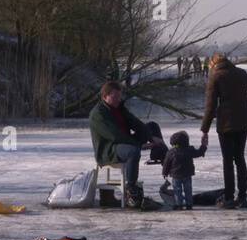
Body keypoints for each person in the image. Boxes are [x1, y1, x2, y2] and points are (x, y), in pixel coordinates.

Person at [201, 53, 247, 209]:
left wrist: (205, 130)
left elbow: (210, 107)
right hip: (243, 122)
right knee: (240, 159)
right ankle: (243, 197)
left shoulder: (215, 76)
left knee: (228, 161)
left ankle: (229, 197)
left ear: (213, 63)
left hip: (225, 125)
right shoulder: (241, 73)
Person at [89, 81, 166, 209]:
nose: (118, 100)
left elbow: (135, 123)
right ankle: (131, 189)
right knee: (133, 152)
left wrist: (150, 137)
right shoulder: (98, 114)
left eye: (119, 97)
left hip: (126, 141)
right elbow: (115, 136)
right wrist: (141, 145)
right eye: (115, 97)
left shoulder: (119, 108)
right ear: (104, 97)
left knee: (152, 126)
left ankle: (165, 158)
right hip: (109, 148)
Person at [162, 131, 207, 211]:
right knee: (188, 189)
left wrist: (165, 172)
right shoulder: (189, 149)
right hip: (187, 174)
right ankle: (189, 204)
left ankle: (179, 204)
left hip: (176, 175)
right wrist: (203, 146)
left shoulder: (171, 152)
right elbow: (199, 153)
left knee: (177, 190)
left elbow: (166, 163)